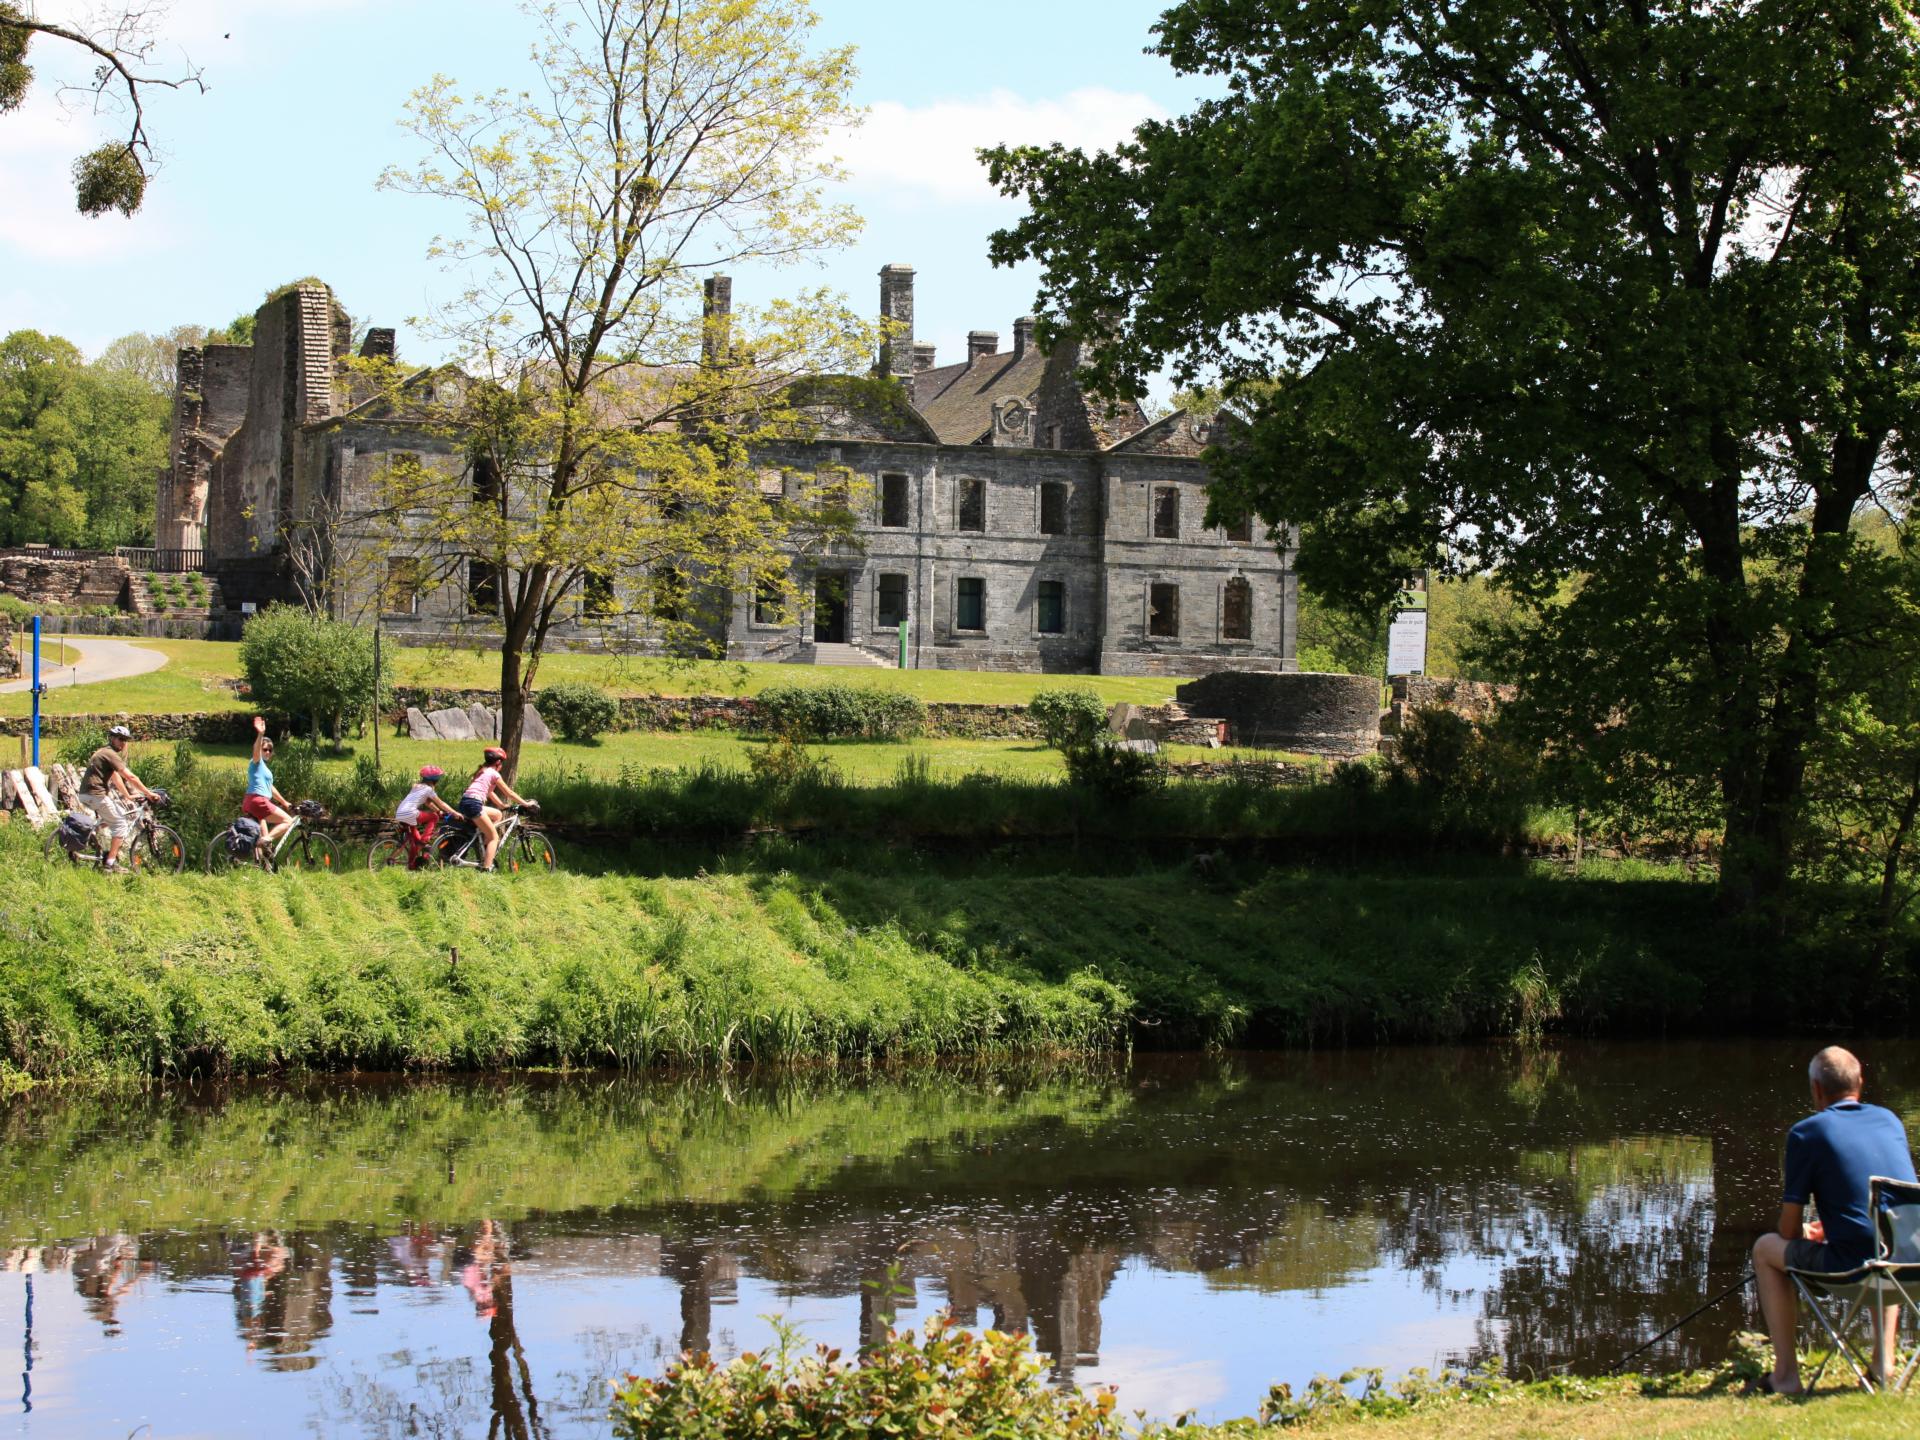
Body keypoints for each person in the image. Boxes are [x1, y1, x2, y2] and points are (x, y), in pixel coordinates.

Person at [1752, 1045, 1918, 1394]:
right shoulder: (1890, 1120)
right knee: (1886, 1241)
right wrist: (1829, 1227)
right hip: (1910, 1269)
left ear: (1816, 1089)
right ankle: (1884, 1361)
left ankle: (1785, 1376)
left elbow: (1788, 1229)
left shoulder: (1806, 1133)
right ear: (1860, 1082)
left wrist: (1806, 1233)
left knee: (1766, 1249)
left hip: (1856, 1272)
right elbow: (1887, 1204)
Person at [79, 724, 163, 873]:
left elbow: (116, 778)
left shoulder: (104, 753)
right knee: (121, 824)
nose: (123, 743)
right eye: (120, 739)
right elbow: (130, 776)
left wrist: (128, 795)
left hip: (89, 794)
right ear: (112, 738)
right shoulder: (110, 754)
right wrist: (149, 793)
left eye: (125, 740)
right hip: (95, 795)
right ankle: (109, 865)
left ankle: (92, 835)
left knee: (117, 814)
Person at [457, 746, 534, 872]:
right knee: (494, 837)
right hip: (474, 804)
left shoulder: (482, 771)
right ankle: (486, 869)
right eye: (502, 763)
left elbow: (489, 793)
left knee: (498, 814)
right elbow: (509, 793)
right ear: (498, 762)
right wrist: (526, 804)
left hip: (466, 802)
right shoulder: (494, 773)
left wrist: (502, 806)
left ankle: (486, 846)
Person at [243, 716, 294, 857]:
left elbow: (270, 787)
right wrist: (260, 734)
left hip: (251, 802)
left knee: (264, 841)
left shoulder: (264, 769)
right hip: (259, 800)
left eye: (270, 750)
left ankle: (263, 863)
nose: (267, 752)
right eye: (265, 749)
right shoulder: (256, 762)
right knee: (288, 821)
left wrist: (284, 802)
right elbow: (255, 750)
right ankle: (265, 841)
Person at [394, 764, 458, 862]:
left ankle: (412, 864)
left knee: (415, 841)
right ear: (435, 779)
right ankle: (425, 840)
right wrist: (454, 813)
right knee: (434, 817)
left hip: (400, 813)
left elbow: (428, 802)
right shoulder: (428, 789)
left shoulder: (416, 786)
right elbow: (441, 803)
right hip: (410, 813)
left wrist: (438, 810)